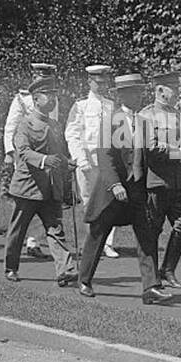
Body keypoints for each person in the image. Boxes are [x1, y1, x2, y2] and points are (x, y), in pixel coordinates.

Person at [76, 73, 169, 303]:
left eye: (140, 92)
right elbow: (105, 156)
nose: (138, 96)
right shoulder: (113, 120)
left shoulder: (143, 122)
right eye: (133, 92)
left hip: (137, 190)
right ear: (122, 95)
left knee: (146, 236)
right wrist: (116, 184)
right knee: (98, 234)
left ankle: (151, 288)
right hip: (112, 192)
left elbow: (149, 154)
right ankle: (84, 279)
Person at [3, 75, 79, 285]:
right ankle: (11, 267)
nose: (53, 99)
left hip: (50, 188)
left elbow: (58, 153)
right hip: (28, 187)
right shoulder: (24, 124)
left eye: (54, 95)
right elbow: (24, 152)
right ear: (36, 99)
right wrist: (46, 160)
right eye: (48, 95)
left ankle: (65, 270)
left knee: (55, 231)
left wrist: (66, 163)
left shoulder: (55, 125)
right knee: (18, 231)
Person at [138, 71, 181, 289]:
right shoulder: (146, 115)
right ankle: (153, 276)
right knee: (153, 230)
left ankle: (168, 269)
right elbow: (153, 148)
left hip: (179, 182)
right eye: (173, 88)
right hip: (157, 182)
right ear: (160, 91)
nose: (178, 92)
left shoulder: (179, 116)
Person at [4, 61, 59, 261]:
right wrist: (10, 153)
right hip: (27, 157)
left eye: (45, 76)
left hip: (48, 161)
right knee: (25, 208)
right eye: (39, 76)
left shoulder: (52, 99)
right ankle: (12, 263)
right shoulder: (21, 99)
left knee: (45, 205)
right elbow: (11, 126)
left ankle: (34, 242)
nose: (42, 79)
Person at [65, 64, 120, 259]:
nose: (102, 86)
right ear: (89, 82)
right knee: (88, 202)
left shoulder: (111, 105)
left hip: (107, 162)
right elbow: (72, 133)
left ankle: (107, 243)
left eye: (104, 82)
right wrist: (80, 159)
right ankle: (91, 241)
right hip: (87, 161)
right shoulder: (80, 105)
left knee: (110, 202)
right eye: (98, 82)